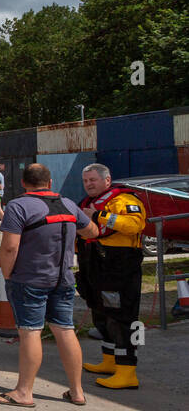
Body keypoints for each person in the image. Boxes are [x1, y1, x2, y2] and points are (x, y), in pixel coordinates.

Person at [0, 163, 101, 407]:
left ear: (24, 184)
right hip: (63, 279)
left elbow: (9, 247)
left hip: (30, 279)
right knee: (65, 329)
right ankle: (77, 391)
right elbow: (92, 232)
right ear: (50, 183)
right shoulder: (69, 204)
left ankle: (24, 392)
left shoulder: (19, 206)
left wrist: (8, 276)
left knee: (30, 332)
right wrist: (88, 218)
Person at [75, 163, 147, 389]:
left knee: (123, 316)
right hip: (95, 264)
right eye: (86, 181)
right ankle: (109, 361)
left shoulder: (126, 201)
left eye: (93, 180)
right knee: (101, 312)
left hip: (121, 266)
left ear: (107, 180)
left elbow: (135, 225)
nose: (88, 185)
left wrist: (100, 216)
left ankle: (128, 370)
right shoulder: (85, 202)